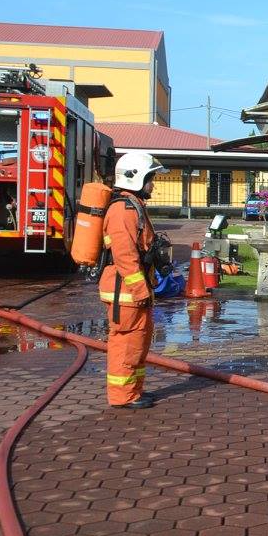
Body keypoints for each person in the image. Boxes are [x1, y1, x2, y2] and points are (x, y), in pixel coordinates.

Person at [101, 150, 165, 409]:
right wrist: (140, 289)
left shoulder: (133, 206)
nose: (153, 184)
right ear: (135, 178)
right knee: (126, 344)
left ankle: (134, 391)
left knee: (138, 342)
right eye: (150, 178)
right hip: (125, 292)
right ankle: (121, 396)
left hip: (133, 290)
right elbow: (125, 255)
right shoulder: (122, 210)